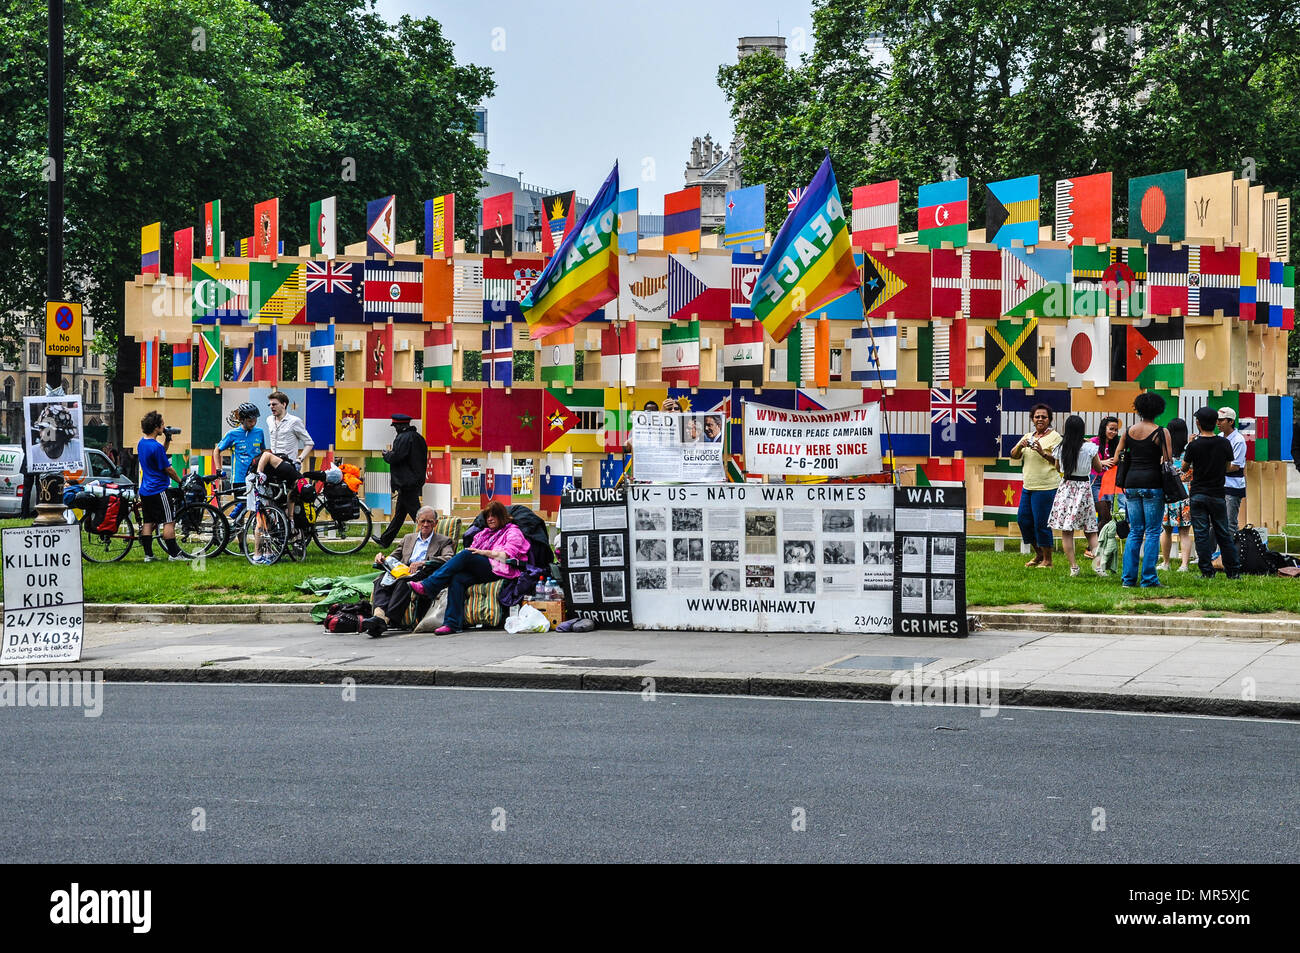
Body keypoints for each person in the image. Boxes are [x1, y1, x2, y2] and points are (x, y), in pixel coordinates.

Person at [408, 501, 531, 635]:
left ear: (501, 516)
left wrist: (484, 553)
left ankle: (429, 586)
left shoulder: (513, 531)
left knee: (466, 554)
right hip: (483, 569)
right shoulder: (484, 533)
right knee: (457, 578)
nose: (489, 519)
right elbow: (473, 548)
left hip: (501, 569)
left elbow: (506, 556)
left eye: (493, 516)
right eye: (487, 516)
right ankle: (452, 624)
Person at [359, 506, 455, 638]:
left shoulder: (443, 541)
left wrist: (423, 563)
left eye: (430, 521)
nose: (426, 524)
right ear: (417, 521)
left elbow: (449, 558)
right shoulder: (408, 538)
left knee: (404, 582)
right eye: (423, 521)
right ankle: (378, 616)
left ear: (435, 523)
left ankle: (386, 620)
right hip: (402, 571)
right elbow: (393, 557)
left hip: (423, 572)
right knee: (381, 580)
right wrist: (382, 558)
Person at [1113, 392, 1171, 588]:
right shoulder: (1161, 432)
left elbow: (1117, 456)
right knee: (1153, 531)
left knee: (1135, 531)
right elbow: (1167, 460)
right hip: (1153, 483)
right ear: (1158, 410)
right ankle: (1148, 579)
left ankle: (1128, 579)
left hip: (1131, 483)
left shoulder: (1128, 431)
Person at [1182, 406, 1242, 579]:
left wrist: (1190, 445)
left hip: (1198, 494)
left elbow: (1185, 467)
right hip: (1217, 494)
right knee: (1223, 533)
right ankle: (1233, 571)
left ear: (1198, 423)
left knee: (1201, 534)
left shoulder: (1194, 445)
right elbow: (1227, 467)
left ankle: (1207, 572)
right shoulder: (1224, 443)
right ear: (1215, 423)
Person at [1047, 414, 1102, 576]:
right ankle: (1099, 567)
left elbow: (1058, 468)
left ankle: (1073, 567)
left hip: (1066, 488)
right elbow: (1098, 468)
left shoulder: (1060, 448)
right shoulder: (1090, 447)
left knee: (1067, 531)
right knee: (1091, 530)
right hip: (1084, 488)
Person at [1010, 403, 1062, 569]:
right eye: (1037, 416)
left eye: (1044, 417)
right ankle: (1039, 553)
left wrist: (1042, 452)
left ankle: (1048, 560)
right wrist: (1020, 445)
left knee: (1041, 523)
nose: (1040, 419)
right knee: (1024, 520)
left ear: (1049, 419)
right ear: (1032, 419)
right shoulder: (1028, 435)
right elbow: (1014, 455)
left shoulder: (1055, 437)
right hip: (1028, 486)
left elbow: (1058, 462)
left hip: (1046, 487)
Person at [136, 411, 186, 562]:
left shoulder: (142, 443)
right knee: (168, 521)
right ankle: (174, 554)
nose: (164, 426)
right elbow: (168, 468)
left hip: (145, 490)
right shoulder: (155, 447)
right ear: (156, 427)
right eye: (162, 424)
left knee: (148, 521)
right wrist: (180, 481)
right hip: (159, 489)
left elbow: (159, 455)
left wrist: (167, 440)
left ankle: (148, 555)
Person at [376, 413, 429, 548]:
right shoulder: (418, 438)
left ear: (400, 426)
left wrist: (386, 455)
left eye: (395, 426)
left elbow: (396, 457)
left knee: (418, 515)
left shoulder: (402, 438)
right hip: (415, 480)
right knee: (400, 514)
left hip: (406, 482)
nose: (395, 429)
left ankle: (432, 538)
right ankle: (385, 540)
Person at [215, 403, 266, 520]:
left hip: (255, 478)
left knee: (258, 508)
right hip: (239, 478)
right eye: (249, 421)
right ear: (242, 420)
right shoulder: (232, 434)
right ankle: (238, 534)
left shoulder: (260, 432)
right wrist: (219, 469)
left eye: (255, 420)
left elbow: (264, 452)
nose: (253, 423)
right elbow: (217, 450)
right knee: (240, 514)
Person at [253, 391, 314, 483]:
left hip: (287, 463)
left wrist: (299, 459)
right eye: (269, 405)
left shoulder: (294, 421)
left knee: (287, 493)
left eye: (274, 404)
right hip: (272, 463)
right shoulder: (269, 420)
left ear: (284, 404)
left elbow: (309, 443)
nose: (271, 407)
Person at [1158, 418, 1193, 572]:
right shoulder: (1190, 449)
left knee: (1166, 529)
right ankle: (1184, 564)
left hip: (1169, 493)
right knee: (1185, 532)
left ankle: (1166, 563)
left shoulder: (1165, 450)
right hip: (1186, 493)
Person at [1089, 416, 1121, 538]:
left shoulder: (1116, 445)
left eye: (1116, 430)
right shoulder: (1094, 442)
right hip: (1096, 481)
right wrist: (1102, 462)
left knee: (1105, 517)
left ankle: (1097, 547)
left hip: (1109, 482)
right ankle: (1093, 546)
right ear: (1104, 428)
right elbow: (1086, 461)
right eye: (1111, 429)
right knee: (1105, 515)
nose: (1114, 432)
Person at [1217, 407, 1246, 533]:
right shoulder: (1218, 437)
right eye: (1217, 420)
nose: (1218, 423)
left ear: (1231, 422)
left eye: (1221, 420)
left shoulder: (1239, 440)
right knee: (1215, 522)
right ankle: (1215, 552)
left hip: (1232, 486)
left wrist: (1213, 468)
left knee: (1229, 523)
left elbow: (1235, 466)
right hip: (1218, 485)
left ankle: (1231, 552)